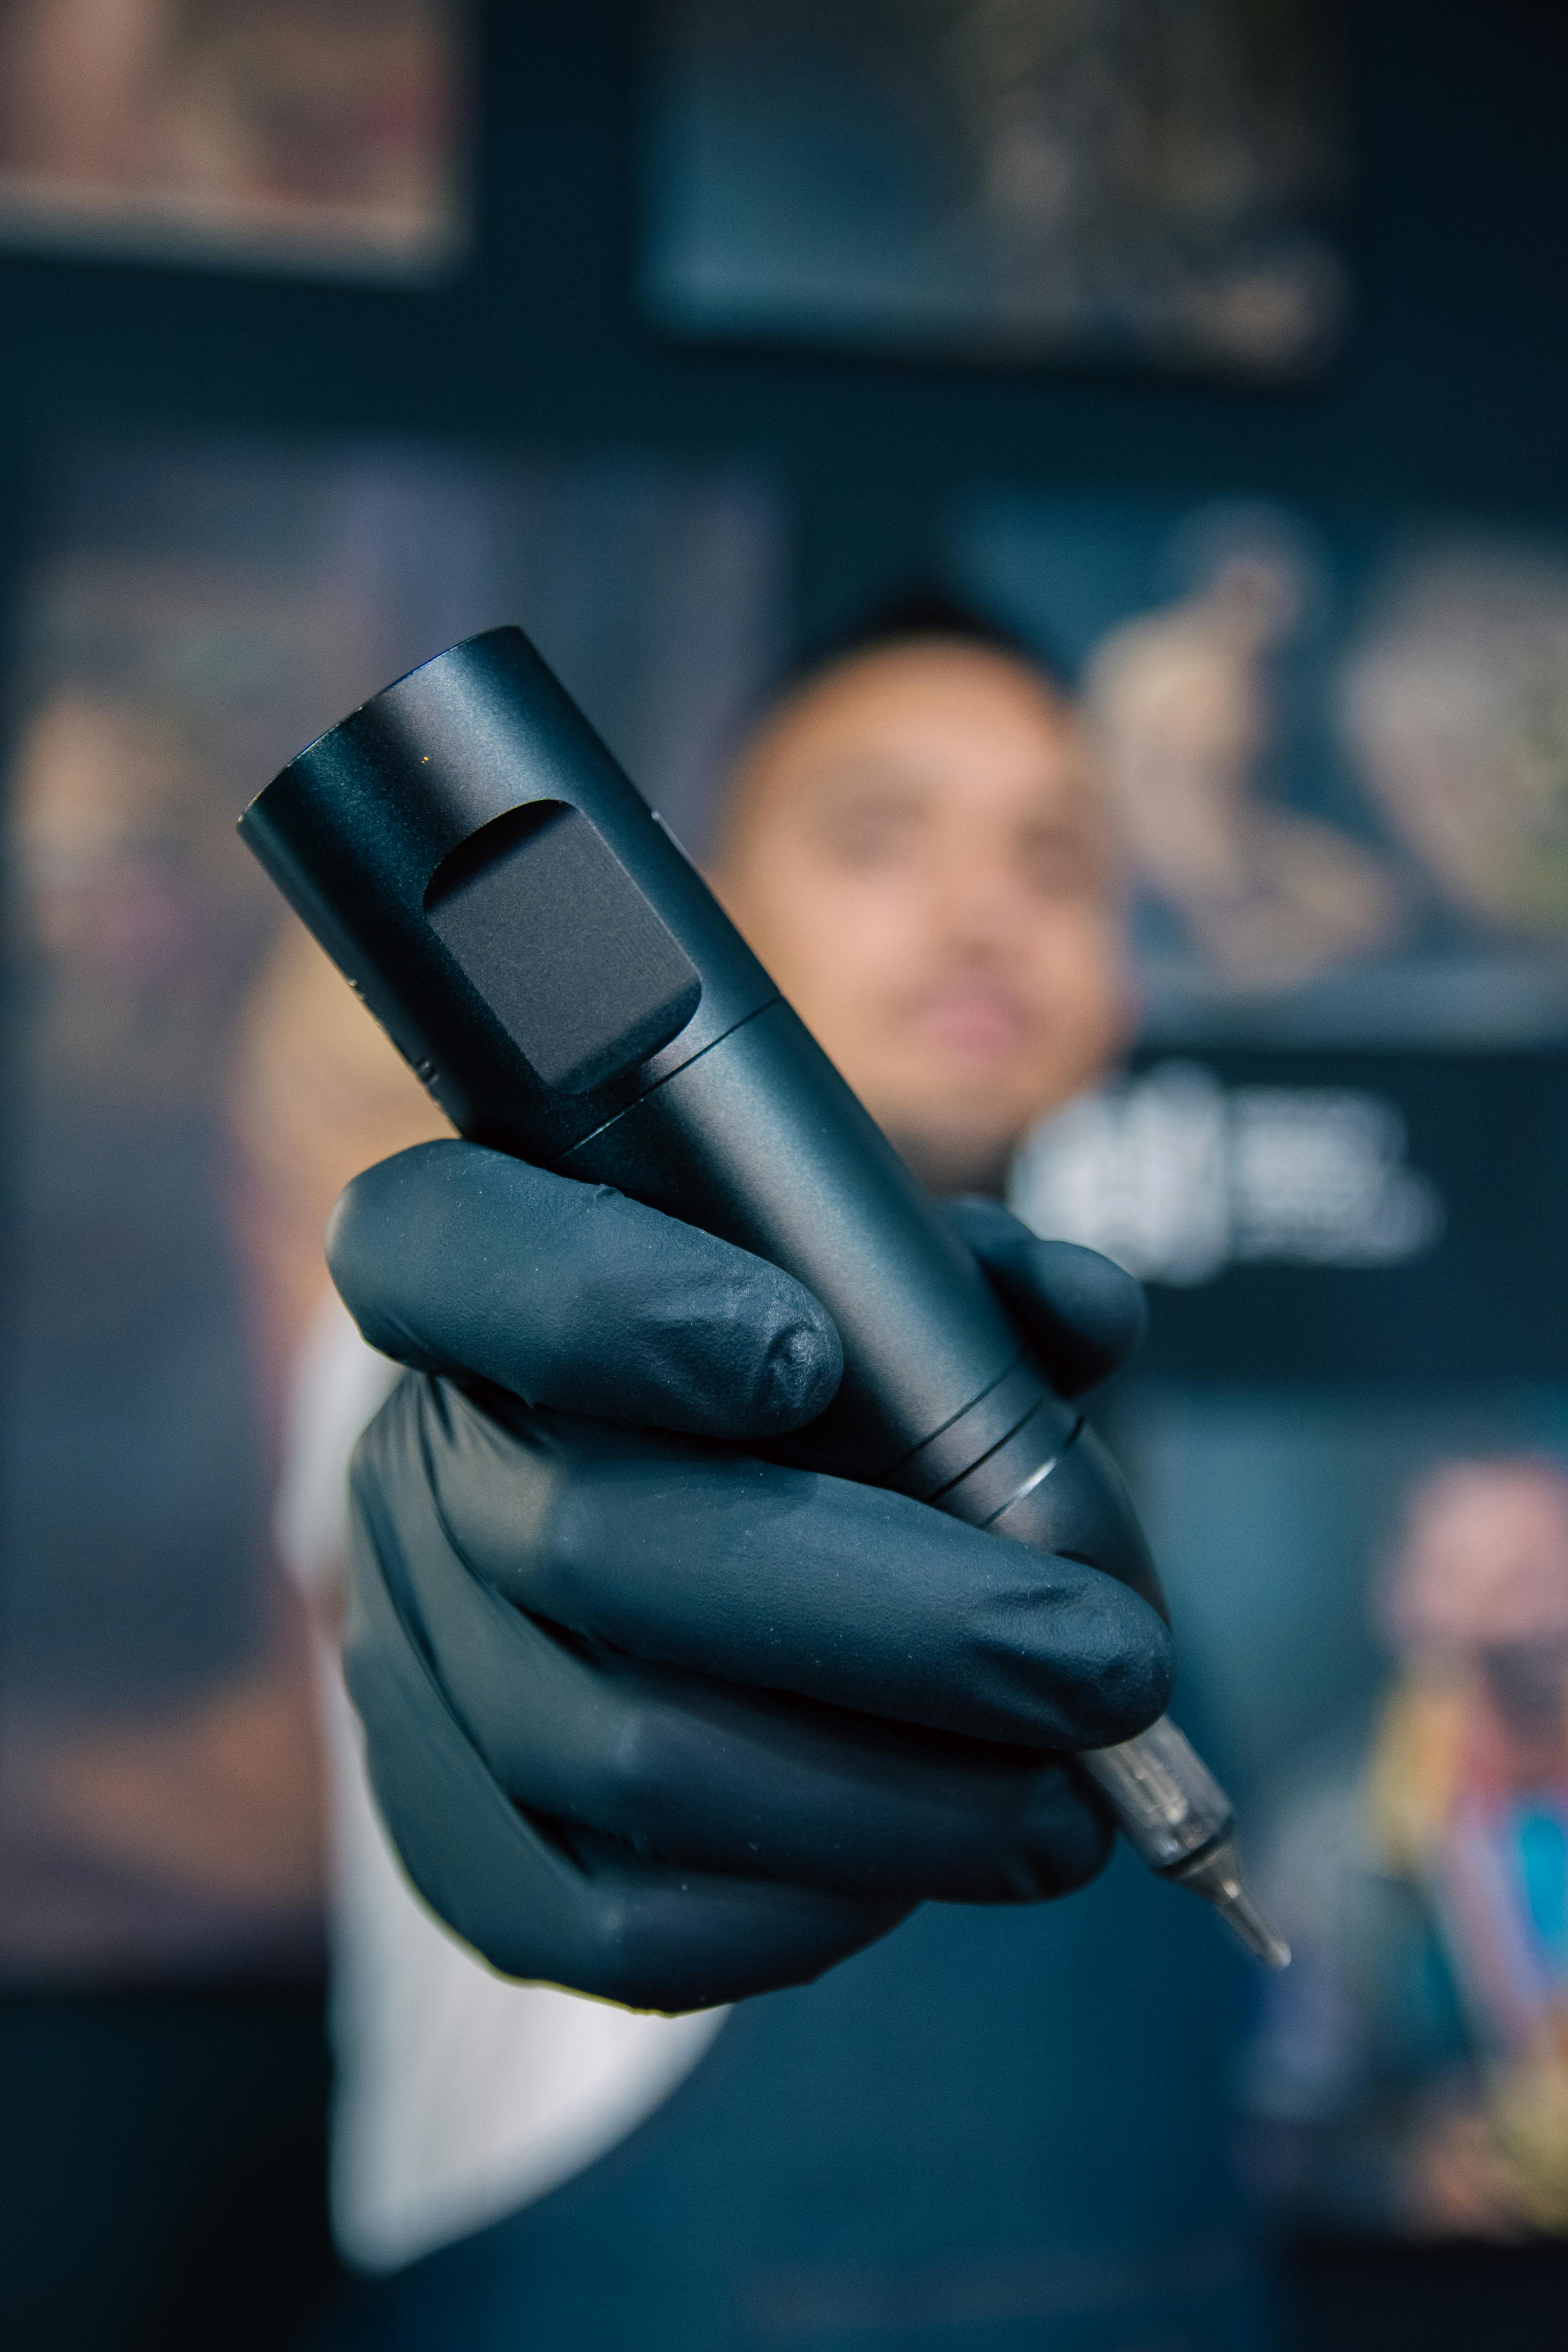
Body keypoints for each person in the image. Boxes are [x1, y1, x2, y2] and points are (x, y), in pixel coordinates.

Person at [248, 597, 1271, 2348]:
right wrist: (487, 1486)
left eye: (1054, 857)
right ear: (704, 908)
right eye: (881, 837)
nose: (979, 915)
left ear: (1123, 974)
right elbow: (397, 1505)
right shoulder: (507, 1349)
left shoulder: (1104, 1395)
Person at [1246, 1454, 1568, 2240]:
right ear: (1408, 1603)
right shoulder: (1331, 1843)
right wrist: (1402, 2183)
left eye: (1550, 1571)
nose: (1536, 1616)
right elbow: (1282, 2124)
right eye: (1494, 1581)